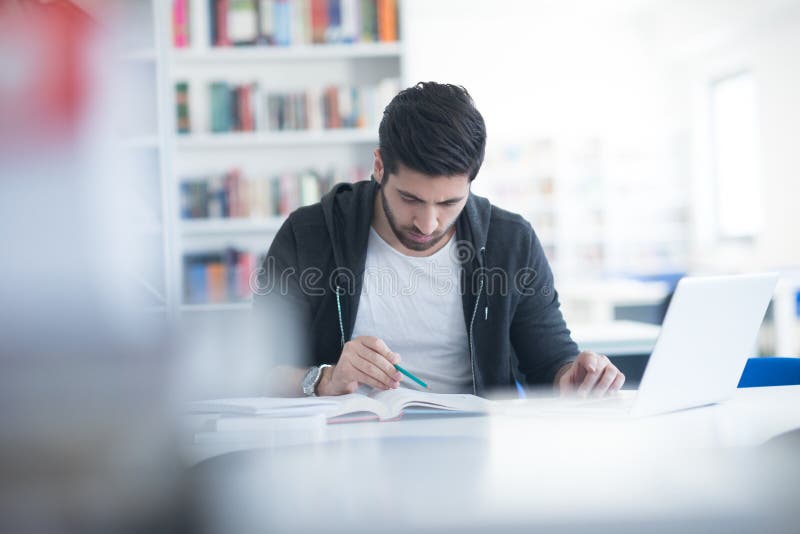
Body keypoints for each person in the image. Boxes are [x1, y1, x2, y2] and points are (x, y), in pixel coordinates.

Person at [255, 82, 624, 398]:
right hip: (344, 444)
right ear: (379, 166)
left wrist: (575, 380)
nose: (428, 223)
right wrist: (325, 379)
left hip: (472, 448)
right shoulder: (309, 234)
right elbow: (258, 369)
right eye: (410, 199)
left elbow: (550, 362)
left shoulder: (510, 242)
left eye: (449, 202)